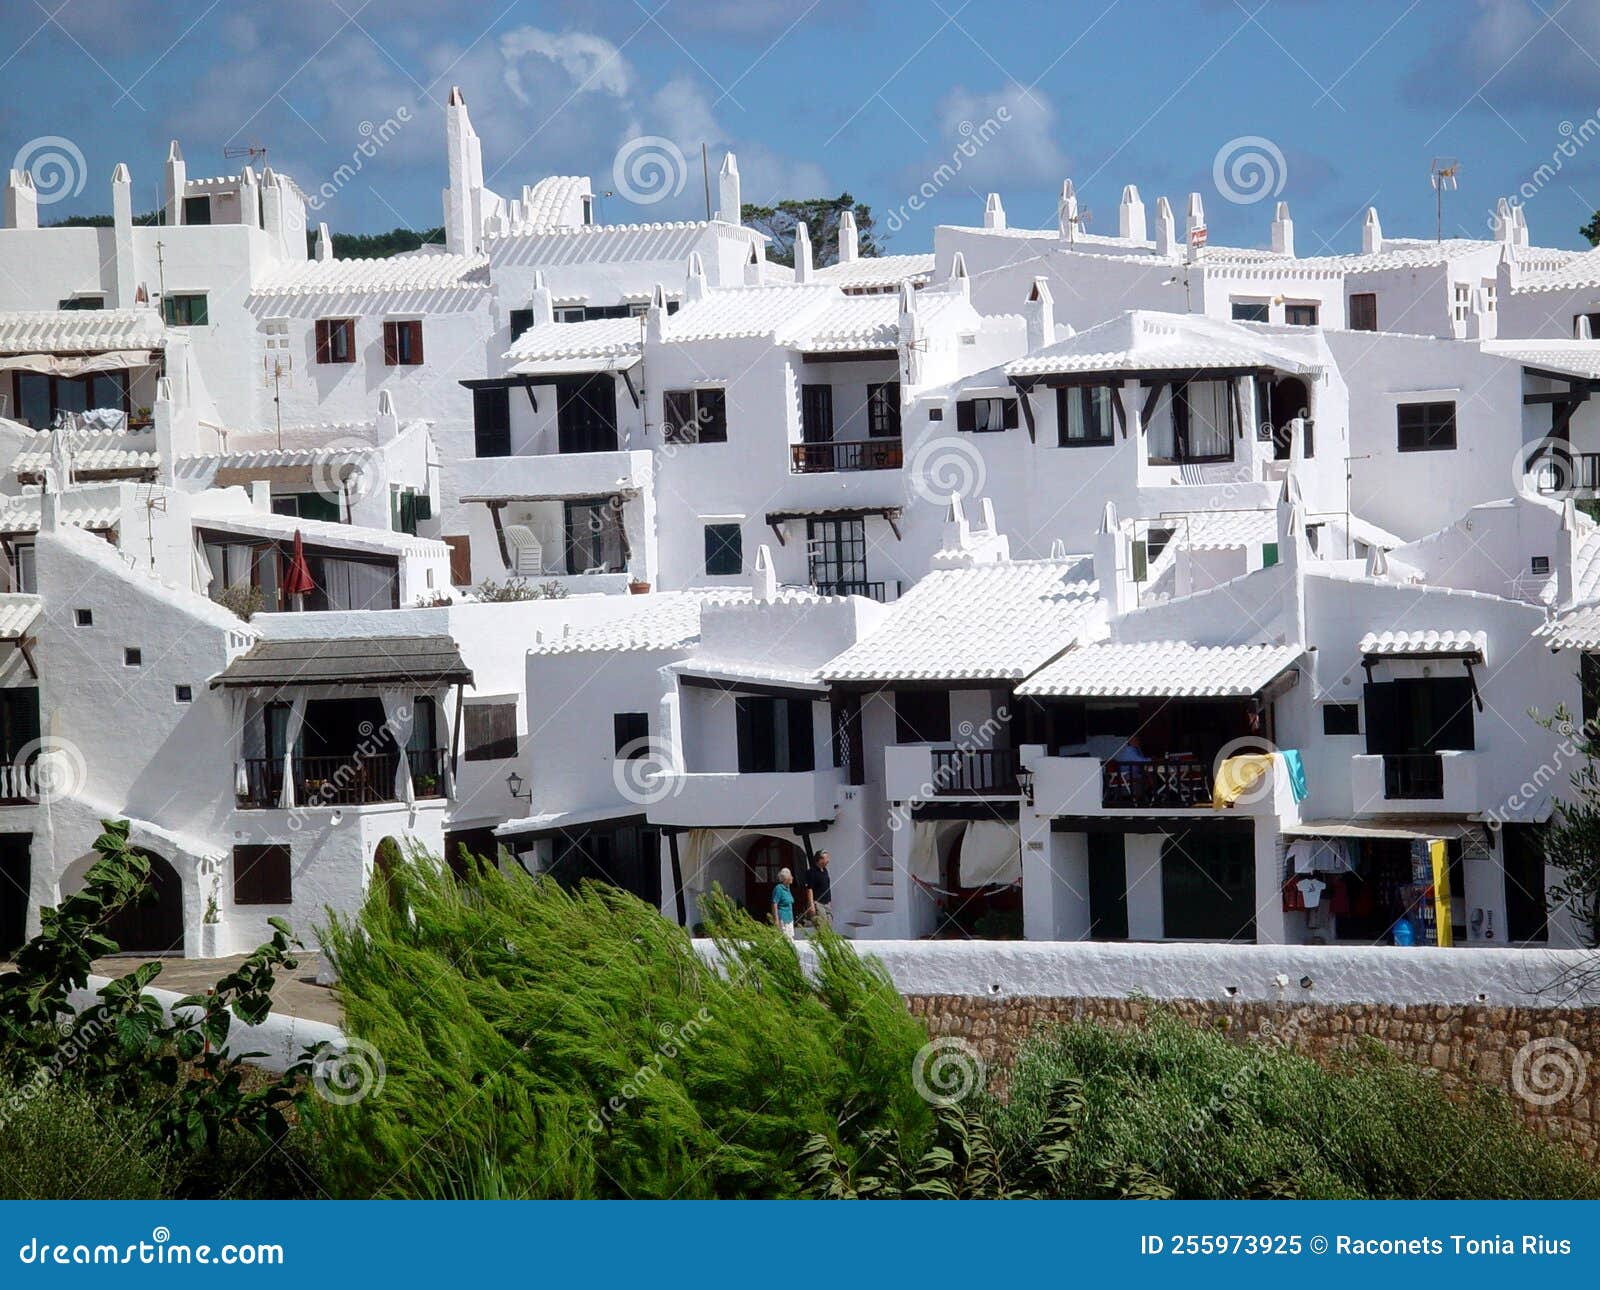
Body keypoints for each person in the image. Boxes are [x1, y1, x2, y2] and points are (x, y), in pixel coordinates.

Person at [803, 850, 832, 927]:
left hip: (827, 903)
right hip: (818, 903)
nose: (828, 860)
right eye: (826, 858)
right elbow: (809, 889)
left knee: (829, 925)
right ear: (820, 859)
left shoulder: (824, 870)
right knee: (822, 926)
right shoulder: (812, 872)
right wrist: (811, 905)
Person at [771, 868, 796, 940]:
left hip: (789, 919)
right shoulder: (778, 888)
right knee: (784, 939)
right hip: (782, 919)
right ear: (786, 878)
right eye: (791, 876)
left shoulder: (787, 888)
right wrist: (776, 920)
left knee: (790, 939)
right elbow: (774, 903)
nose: (792, 877)